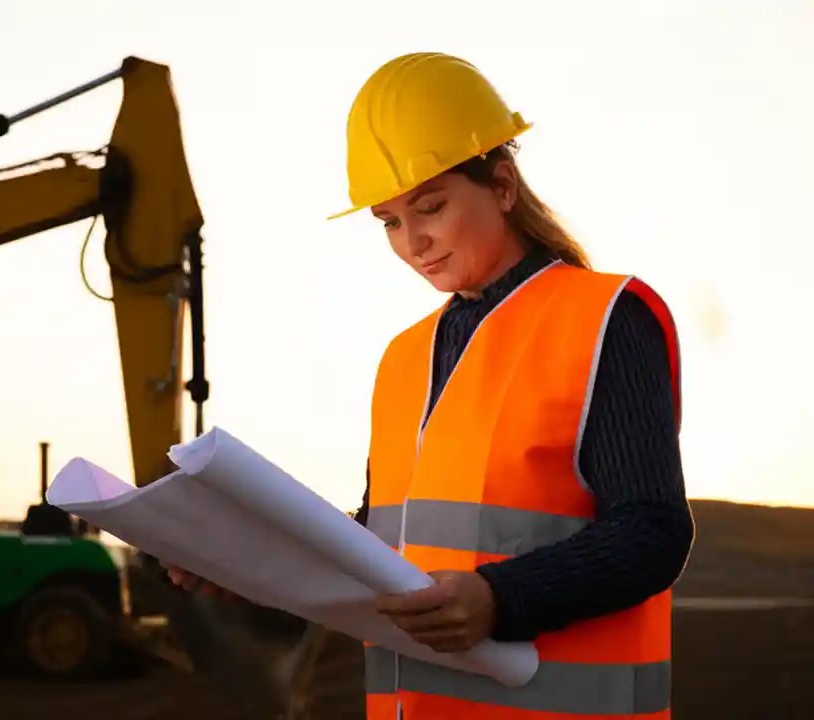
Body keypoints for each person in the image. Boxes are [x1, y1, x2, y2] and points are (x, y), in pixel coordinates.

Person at [168, 51, 693, 719]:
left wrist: (498, 598)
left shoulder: (605, 317)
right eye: (389, 221)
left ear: (502, 185)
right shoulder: (404, 358)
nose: (412, 241)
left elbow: (653, 531)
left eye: (431, 207)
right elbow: (377, 549)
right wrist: (244, 567)